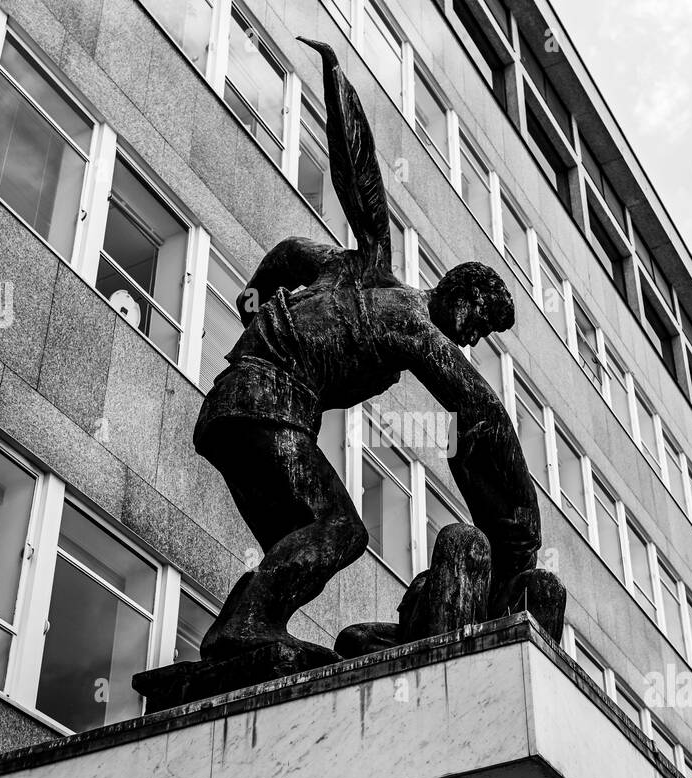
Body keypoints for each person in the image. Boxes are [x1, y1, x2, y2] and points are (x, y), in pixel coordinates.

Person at [192, 38, 556, 662]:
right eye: (478, 325)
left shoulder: (358, 267)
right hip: (269, 405)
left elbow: (293, 251)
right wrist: (519, 530)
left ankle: (235, 637)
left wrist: (254, 306)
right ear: (461, 295)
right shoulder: (413, 321)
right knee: (340, 529)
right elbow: (477, 404)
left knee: (293, 535)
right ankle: (245, 629)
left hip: (237, 405)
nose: (470, 341)